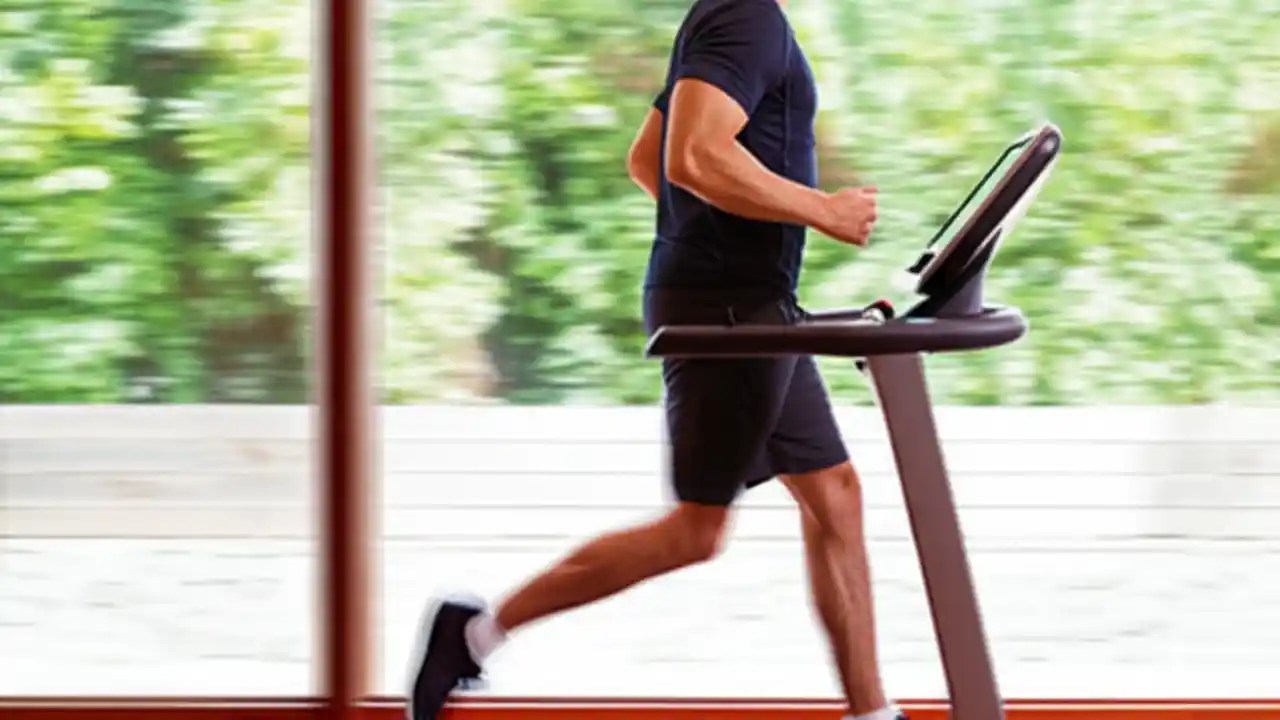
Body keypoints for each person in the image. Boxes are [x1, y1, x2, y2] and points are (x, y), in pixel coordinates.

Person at [407, 1, 901, 719]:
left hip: (752, 303)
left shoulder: (739, 18)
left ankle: (872, 711)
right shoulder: (747, 16)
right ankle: (474, 634)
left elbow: (649, 158)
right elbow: (690, 156)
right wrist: (820, 210)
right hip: (730, 310)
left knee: (836, 496)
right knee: (696, 531)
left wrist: (712, 235)